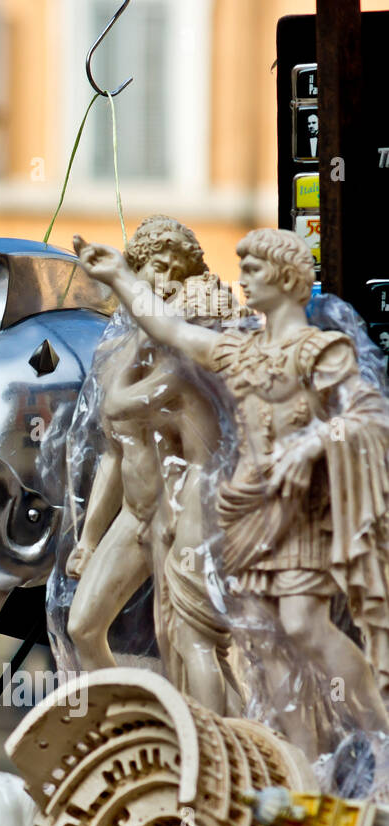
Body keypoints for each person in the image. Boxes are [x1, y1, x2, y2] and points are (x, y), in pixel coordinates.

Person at [75, 227, 389, 753]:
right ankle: (303, 765)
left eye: (255, 270)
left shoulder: (321, 351)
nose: (241, 278)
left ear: (288, 279)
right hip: (244, 511)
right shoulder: (238, 351)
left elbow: (368, 413)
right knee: (263, 648)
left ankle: (377, 734)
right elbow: (165, 327)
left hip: (294, 512)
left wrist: (310, 446)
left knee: (302, 626)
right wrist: (119, 275)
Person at [66, 216, 243, 714]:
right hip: (135, 516)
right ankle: (132, 725)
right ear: (137, 266)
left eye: (177, 273)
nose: (166, 282)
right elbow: (113, 450)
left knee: (192, 646)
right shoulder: (115, 350)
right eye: (157, 268)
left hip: (180, 512)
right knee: (83, 626)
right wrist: (87, 537)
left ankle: (223, 741)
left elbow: (127, 409)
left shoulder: (181, 349)